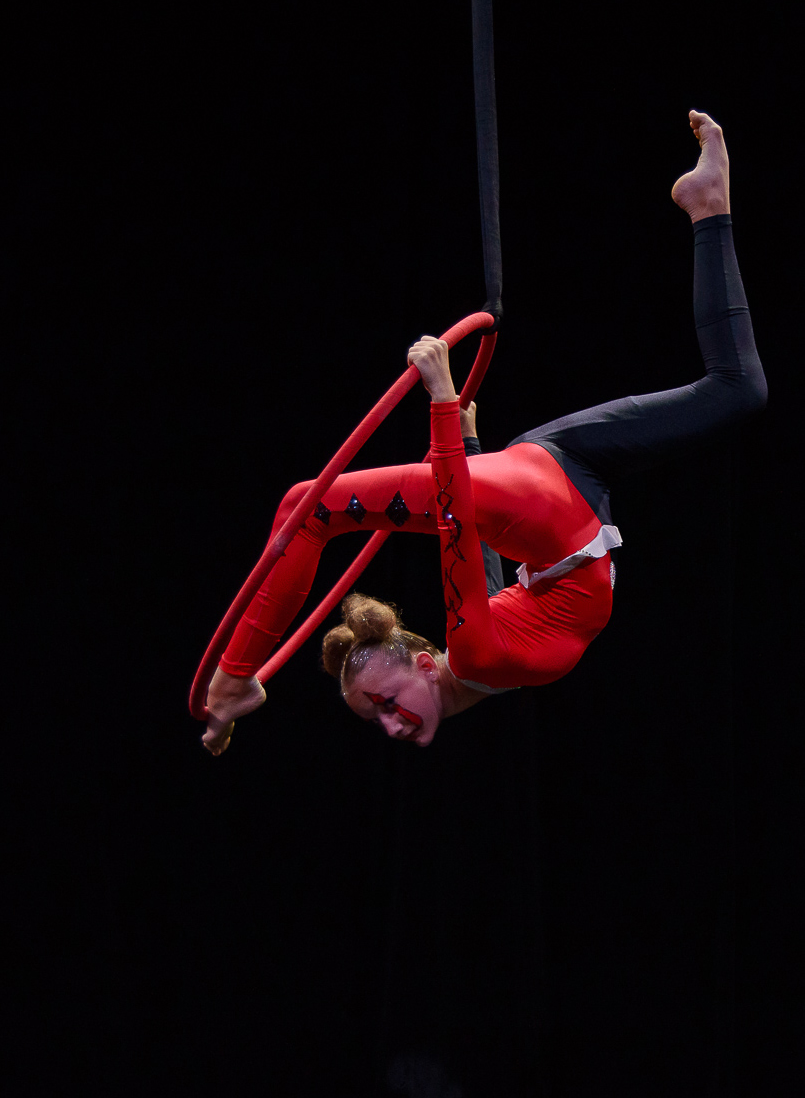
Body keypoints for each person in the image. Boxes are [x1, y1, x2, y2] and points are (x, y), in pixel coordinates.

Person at [202, 110, 767, 755]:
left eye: (384, 705)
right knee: (735, 394)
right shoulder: (484, 658)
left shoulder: (470, 651)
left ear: (423, 663)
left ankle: (234, 680)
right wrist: (469, 447)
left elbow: (456, 523)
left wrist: (445, 404)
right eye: (377, 719)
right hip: (565, 487)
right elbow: (490, 574)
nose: (392, 725)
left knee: (309, 507)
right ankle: (707, 206)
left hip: (545, 506)